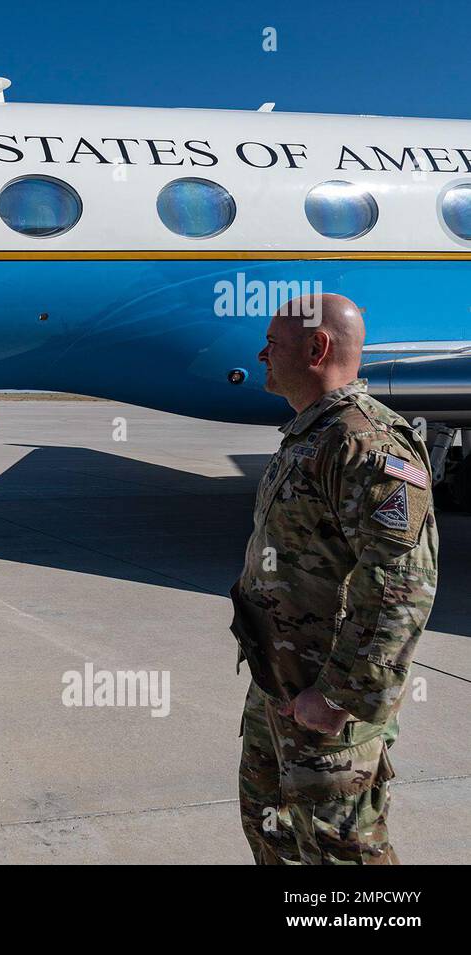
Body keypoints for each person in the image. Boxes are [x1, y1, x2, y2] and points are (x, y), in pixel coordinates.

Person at [230, 293, 438, 864]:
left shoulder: (365, 443)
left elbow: (401, 586)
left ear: (316, 347)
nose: (261, 353)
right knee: (272, 830)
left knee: (343, 853)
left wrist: (342, 696)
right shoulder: (311, 435)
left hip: (326, 700)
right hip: (281, 685)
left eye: (273, 343)